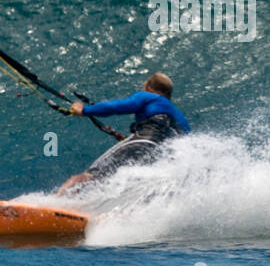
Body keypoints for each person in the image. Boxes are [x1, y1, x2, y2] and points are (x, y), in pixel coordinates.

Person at [58, 72, 190, 192]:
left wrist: (84, 110)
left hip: (145, 140)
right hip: (161, 156)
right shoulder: (182, 118)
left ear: (149, 86)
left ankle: (57, 201)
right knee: (133, 187)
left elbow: (115, 107)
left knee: (92, 175)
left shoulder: (149, 97)